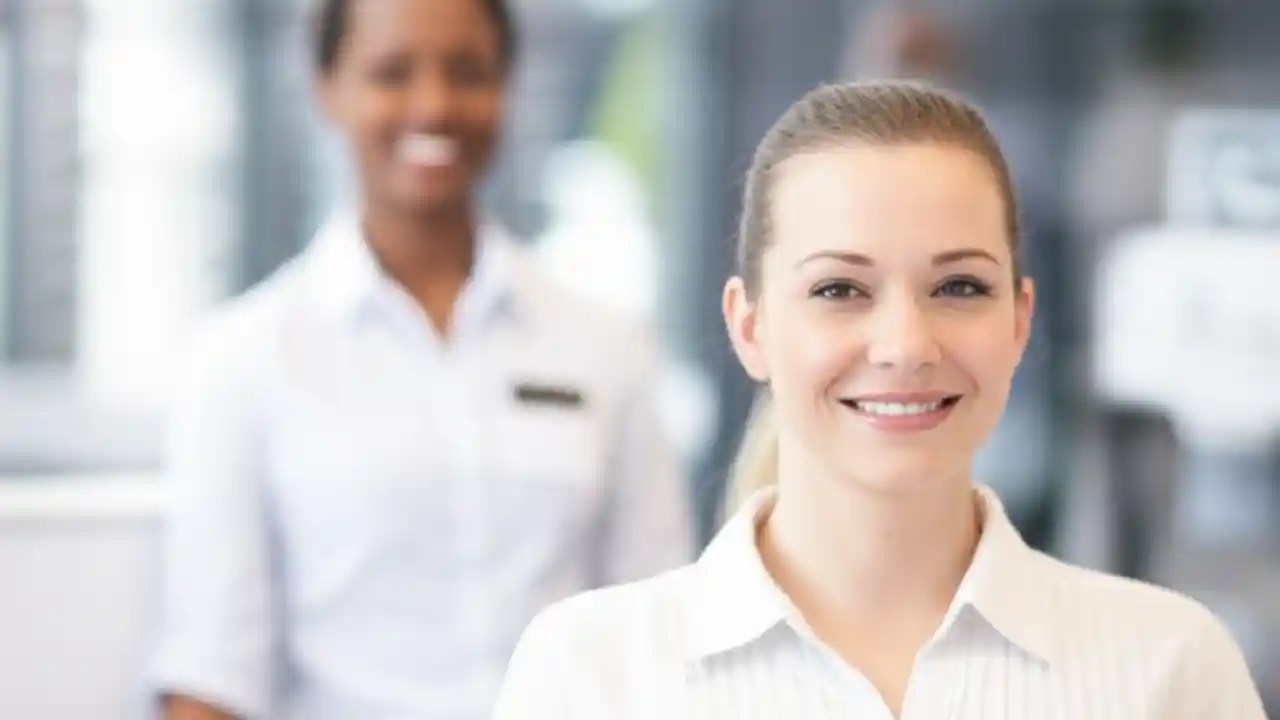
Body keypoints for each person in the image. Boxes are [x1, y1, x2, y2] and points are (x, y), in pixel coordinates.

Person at [492, 81, 1267, 719]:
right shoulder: (592, 672)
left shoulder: (1168, 669)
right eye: (840, 289)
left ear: (1020, 321)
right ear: (750, 326)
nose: (905, 343)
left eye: (958, 286)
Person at [147, 1, 692, 718]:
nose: (434, 104)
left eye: (466, 72)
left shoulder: (606, 348)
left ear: (505, 85)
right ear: (326, 88)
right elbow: (209, 676)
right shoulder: (244, 358)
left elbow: (661, 638)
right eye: (391, 73)